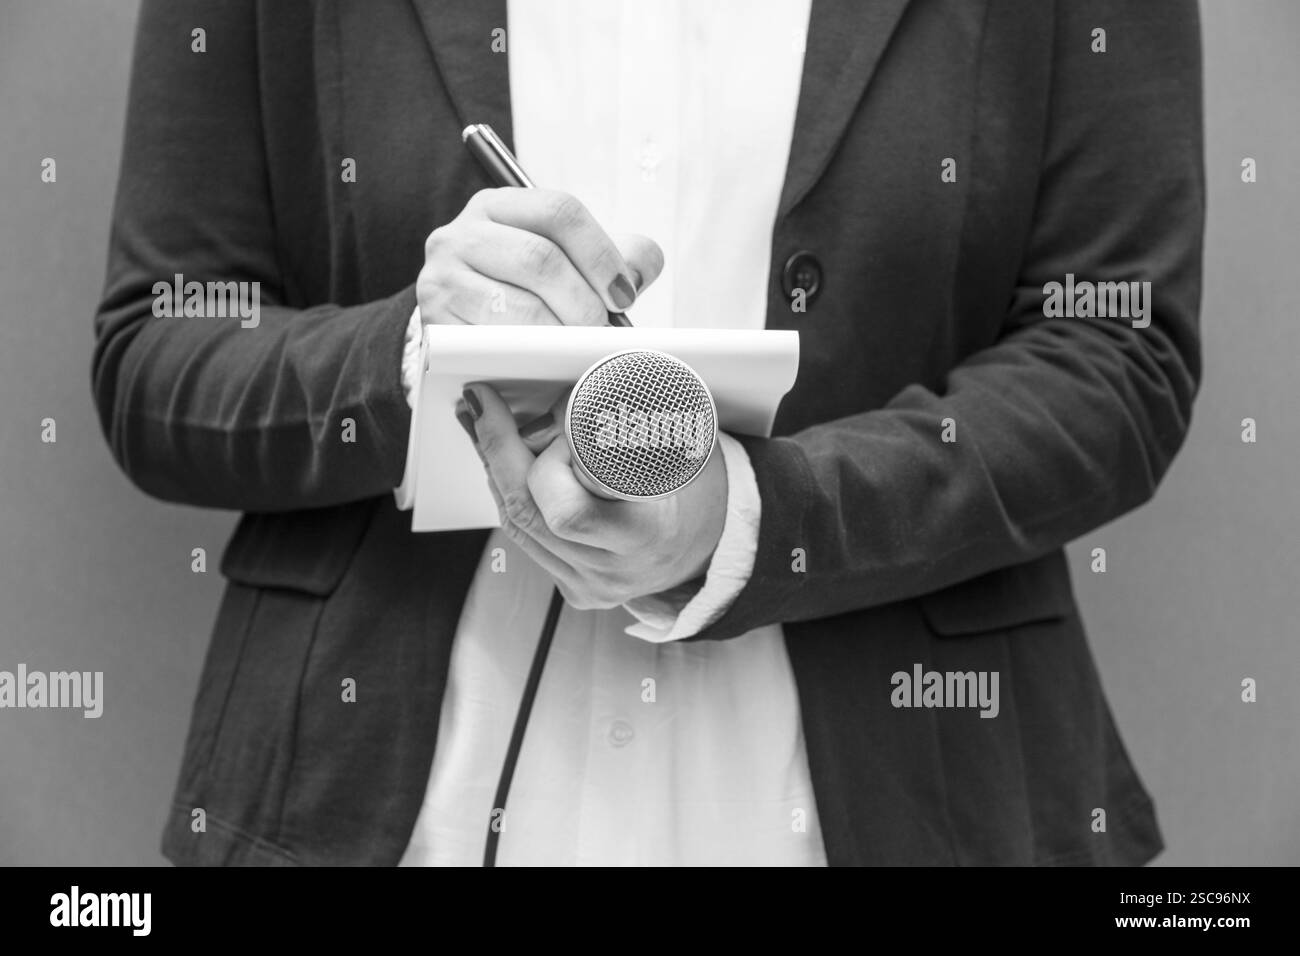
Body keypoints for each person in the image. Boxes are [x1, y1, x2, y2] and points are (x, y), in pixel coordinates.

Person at [93, 0, 1203, 865]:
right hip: (383, 806)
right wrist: (410, 353)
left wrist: (759, 519)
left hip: (907, 798)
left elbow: (1113, 356)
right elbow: (158, 347)